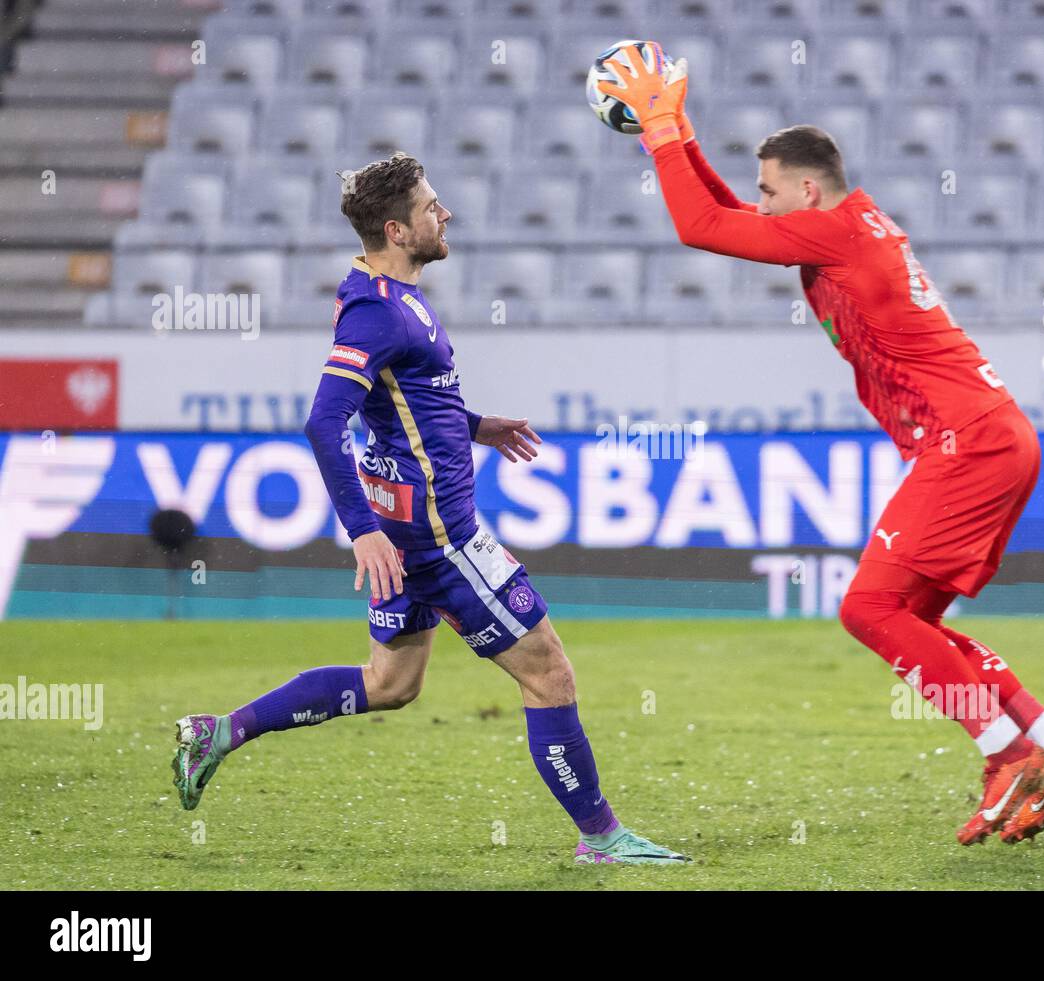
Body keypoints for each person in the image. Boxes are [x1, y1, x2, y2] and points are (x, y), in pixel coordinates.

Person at [597, 45, 1044, 844]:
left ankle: (1008, 753)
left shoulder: (834, 233)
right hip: (996, 434)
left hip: (965, 440)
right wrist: (682, 133)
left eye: (770, 191)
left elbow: (701, 226)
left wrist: (658, 124)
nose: (761, 206)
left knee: (867, 607)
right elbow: (725, 213)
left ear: (806, 190)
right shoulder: (847, 224)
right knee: (917, 622)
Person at [171, 151, 688, 866]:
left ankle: (220, 731)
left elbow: (402, 401)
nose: (445, 214)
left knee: (390, 684)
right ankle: (602, 837)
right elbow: (324, 422)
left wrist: (475, 425)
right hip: (439, 539)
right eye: (430, 207)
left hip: (407, 527)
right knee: (549, 673)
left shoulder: (386, 294)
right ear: (397, 229)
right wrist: (362, 531)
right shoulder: (378, 314)